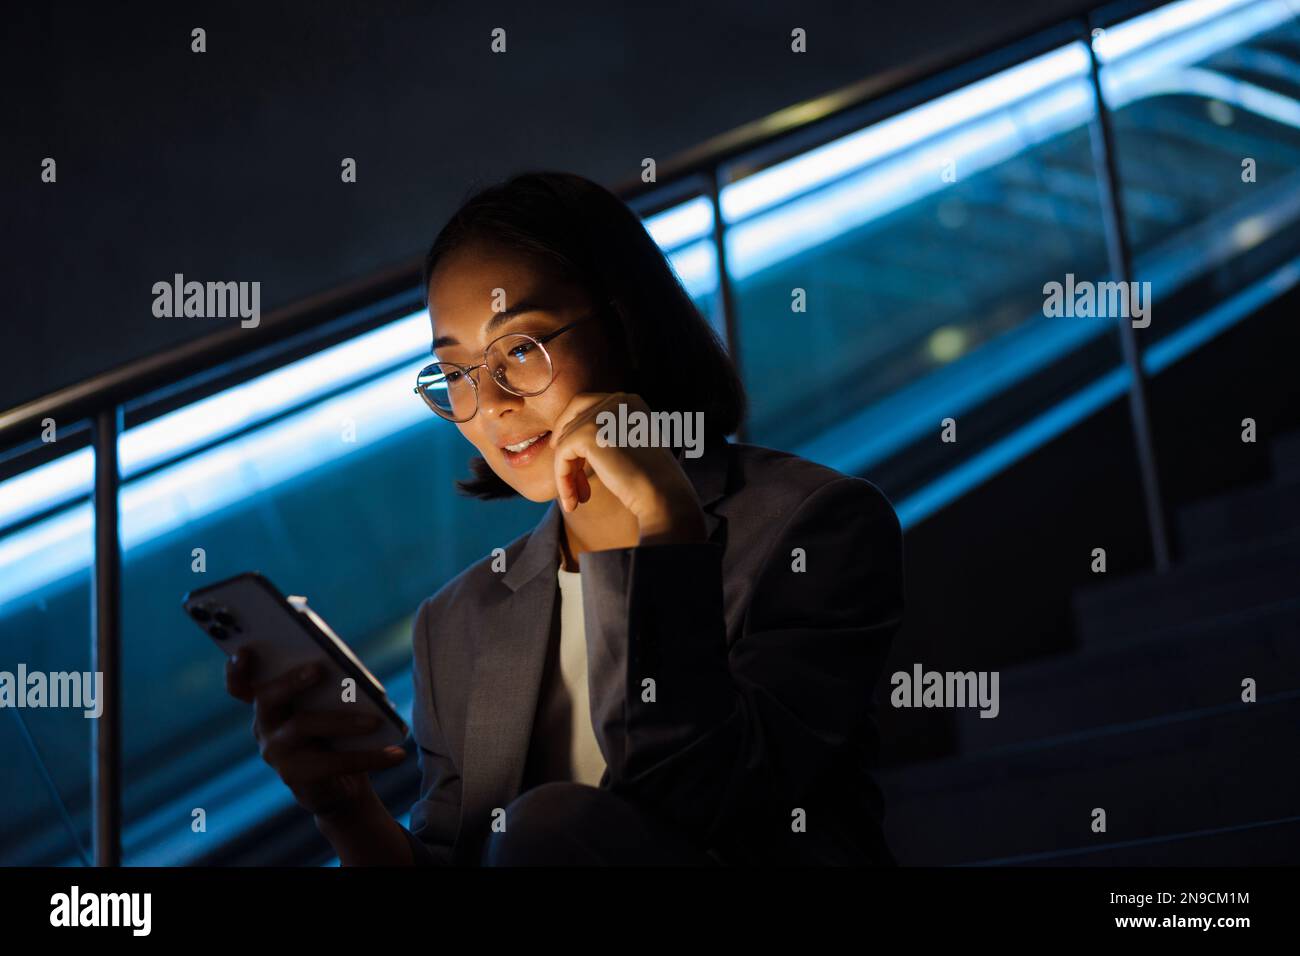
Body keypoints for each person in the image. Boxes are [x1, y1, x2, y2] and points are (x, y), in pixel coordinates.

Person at [225, 171, 904, 866]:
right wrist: (346, 810)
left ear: (625, 323)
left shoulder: (818, 527)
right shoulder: (455, 623)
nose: (488, 405)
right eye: (456, 374)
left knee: (543, 826)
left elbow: (706, 793)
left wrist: (667, 526)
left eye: (520, 348)